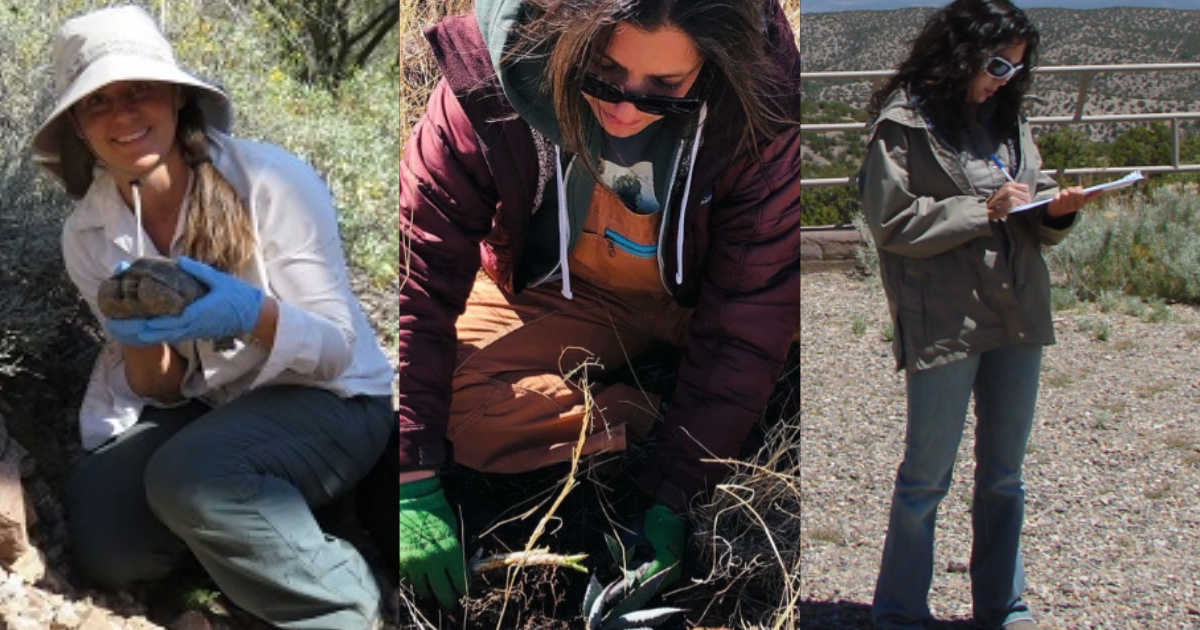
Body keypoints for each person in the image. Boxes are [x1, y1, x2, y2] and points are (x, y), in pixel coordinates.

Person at [397, 0, 800, 610]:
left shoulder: (760, 111)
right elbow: (416, 274)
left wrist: (673, 498)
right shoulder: (486, 80)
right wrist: (408, 473)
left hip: (705, 298)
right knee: (444, 400)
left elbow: (747, 315)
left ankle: (696, 437)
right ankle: (652, 421)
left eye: (666, 89)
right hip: (568, 290)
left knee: (789, 317)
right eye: (600, 73)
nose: (625, 107)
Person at [29, 6, 395, 629]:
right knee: (109, 539)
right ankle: (267, 535)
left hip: (332, 399)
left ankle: (345, 604)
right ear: (79, 129)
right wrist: (135, 338)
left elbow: (335, 347)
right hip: (219, 408)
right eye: (98, 103)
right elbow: (163, 390)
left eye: (138, 90)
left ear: (175, 98)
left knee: (192, 475)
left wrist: (251, 313)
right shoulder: (88, 232)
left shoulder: (270, 181)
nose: (123, 115)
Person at [857, 1, 1099, 629]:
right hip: (945, 318)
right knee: (925, 480)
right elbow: (891, 222)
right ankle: (901, 613)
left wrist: (1057, 212)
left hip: (1017, 312)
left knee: (1004, 477)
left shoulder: (1008, 123)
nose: (1005, 78)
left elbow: (1028, 217)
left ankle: (1003, 606)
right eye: (996, 63)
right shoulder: (902, 125)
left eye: (1016, 68)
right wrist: (981, 209)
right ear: (959, 51)